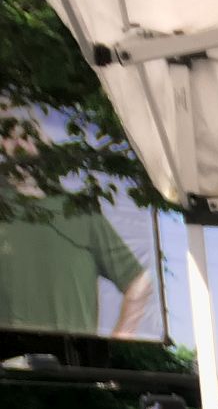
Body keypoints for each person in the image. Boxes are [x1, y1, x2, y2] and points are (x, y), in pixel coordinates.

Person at [0, 116, 154, 338]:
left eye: (28, 137)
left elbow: (139, 283)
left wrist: (118, 340)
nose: (20, 146)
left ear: (46, 149)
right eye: (9, 137)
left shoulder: (79, 211)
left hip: (70, 358)